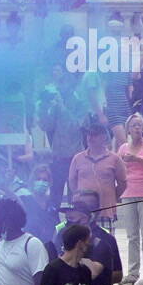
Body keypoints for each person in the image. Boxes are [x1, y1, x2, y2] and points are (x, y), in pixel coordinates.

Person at [67, 122, 127, 231]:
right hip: (82, 214)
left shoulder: (115, 159)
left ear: (104, 137)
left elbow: (123, 183)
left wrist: (110, 197)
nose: (90, 137)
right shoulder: (77, 158)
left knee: (106, 244)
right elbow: (72, 182)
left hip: (105, 212)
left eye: (94, 135)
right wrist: (81, 196)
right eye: (88, 134)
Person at [117, 113, 143, 285]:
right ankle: (132, 273)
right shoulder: (123, 147)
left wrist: (137, 159)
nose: (137, 128)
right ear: (128, 129)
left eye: (139, 125)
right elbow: (118, 169)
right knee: (132, 235)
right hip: (128, 193)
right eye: (133, 125)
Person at [36, 78, 83, 209]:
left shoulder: (80, 104)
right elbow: (46, 126)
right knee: (54, 197)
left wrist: (62, 107)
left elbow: (75, 126)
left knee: (76, 198)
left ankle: (77, 226)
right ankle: (53, 225)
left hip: (75, 157)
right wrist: (43, 107)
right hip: (58, 157)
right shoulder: (55, 107)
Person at [19, 164, 58, 246]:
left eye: (45, 180)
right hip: (27, 246)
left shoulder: (52, 206)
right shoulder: (24, 201)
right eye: (38, 179)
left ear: (49, 183)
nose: (41, 182)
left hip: (47, 248)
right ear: (32, 181)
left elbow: (56, 228)